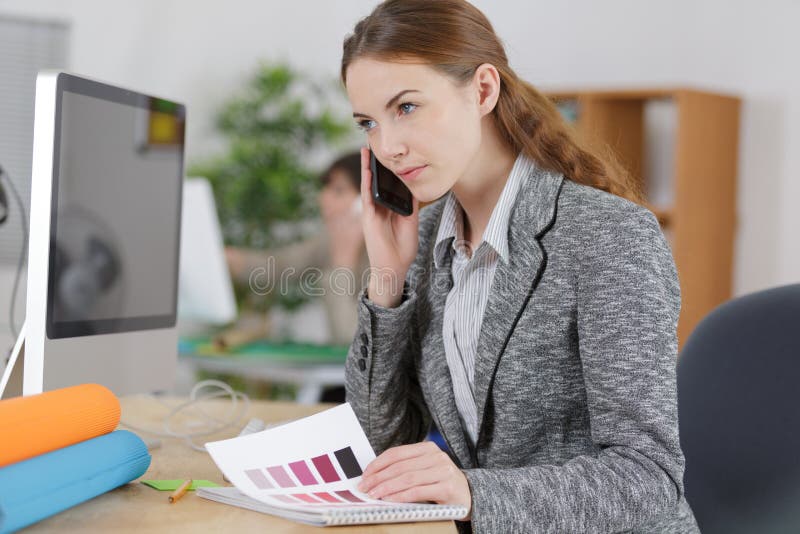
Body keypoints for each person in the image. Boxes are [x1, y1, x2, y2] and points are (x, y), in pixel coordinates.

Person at [340, 1, 700, 532]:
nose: (388, 146)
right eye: (369, 122)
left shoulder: (608, 236)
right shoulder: (427, 236)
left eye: (407, 107)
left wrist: (472, 492)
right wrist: (387, 282)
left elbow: (648, 478)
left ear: (484, 90)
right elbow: (381, 443)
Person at [226, 151, 369, 346]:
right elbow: (281, 266)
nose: (323, 198)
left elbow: (350, 340)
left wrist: (342, 264)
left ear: (366, 201)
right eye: (325, 189)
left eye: (338, 191)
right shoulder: (329, 240)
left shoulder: (391, 256)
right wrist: (230, 260)